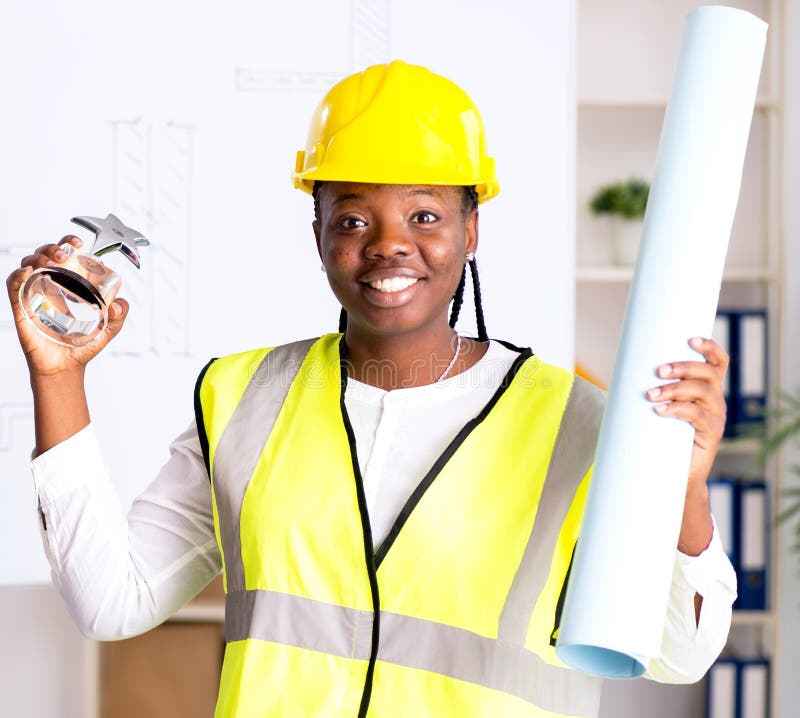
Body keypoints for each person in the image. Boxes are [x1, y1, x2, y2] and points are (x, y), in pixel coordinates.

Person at [7, 60, 735, 717]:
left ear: (471, 230)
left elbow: (679, 656)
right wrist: (59, 379)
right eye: (354, 218)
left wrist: (687, 491)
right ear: (318, 232)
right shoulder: (245, 398)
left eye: (425, 215)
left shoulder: (576, 421)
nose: (388, 243)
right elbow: (112, 601)